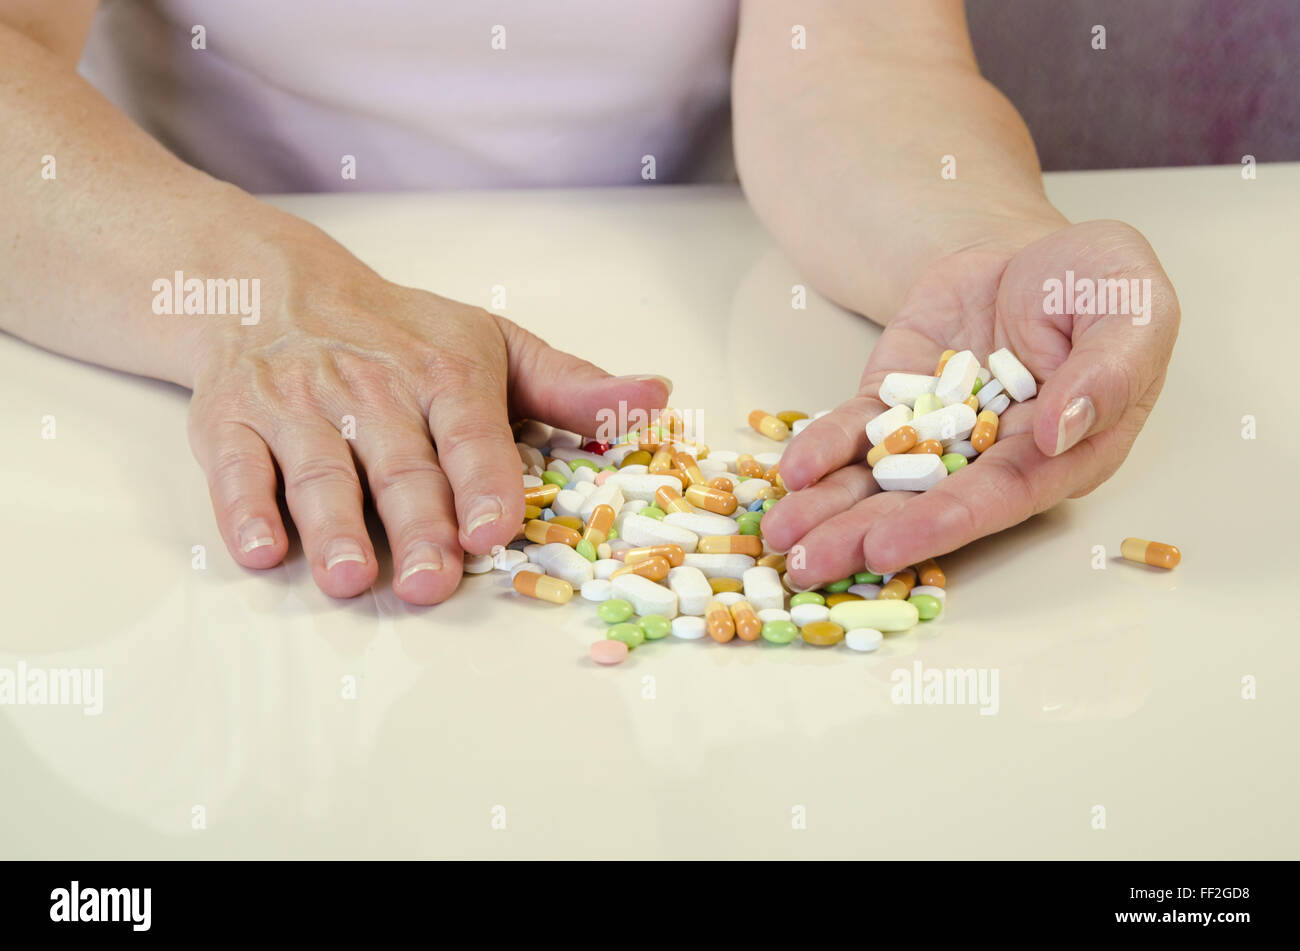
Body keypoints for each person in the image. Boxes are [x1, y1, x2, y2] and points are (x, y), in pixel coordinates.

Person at [1, 1, 1179, 605]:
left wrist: (990, 249)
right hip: (165, 295)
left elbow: (860, 58)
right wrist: (260, 296)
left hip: (703, 310)